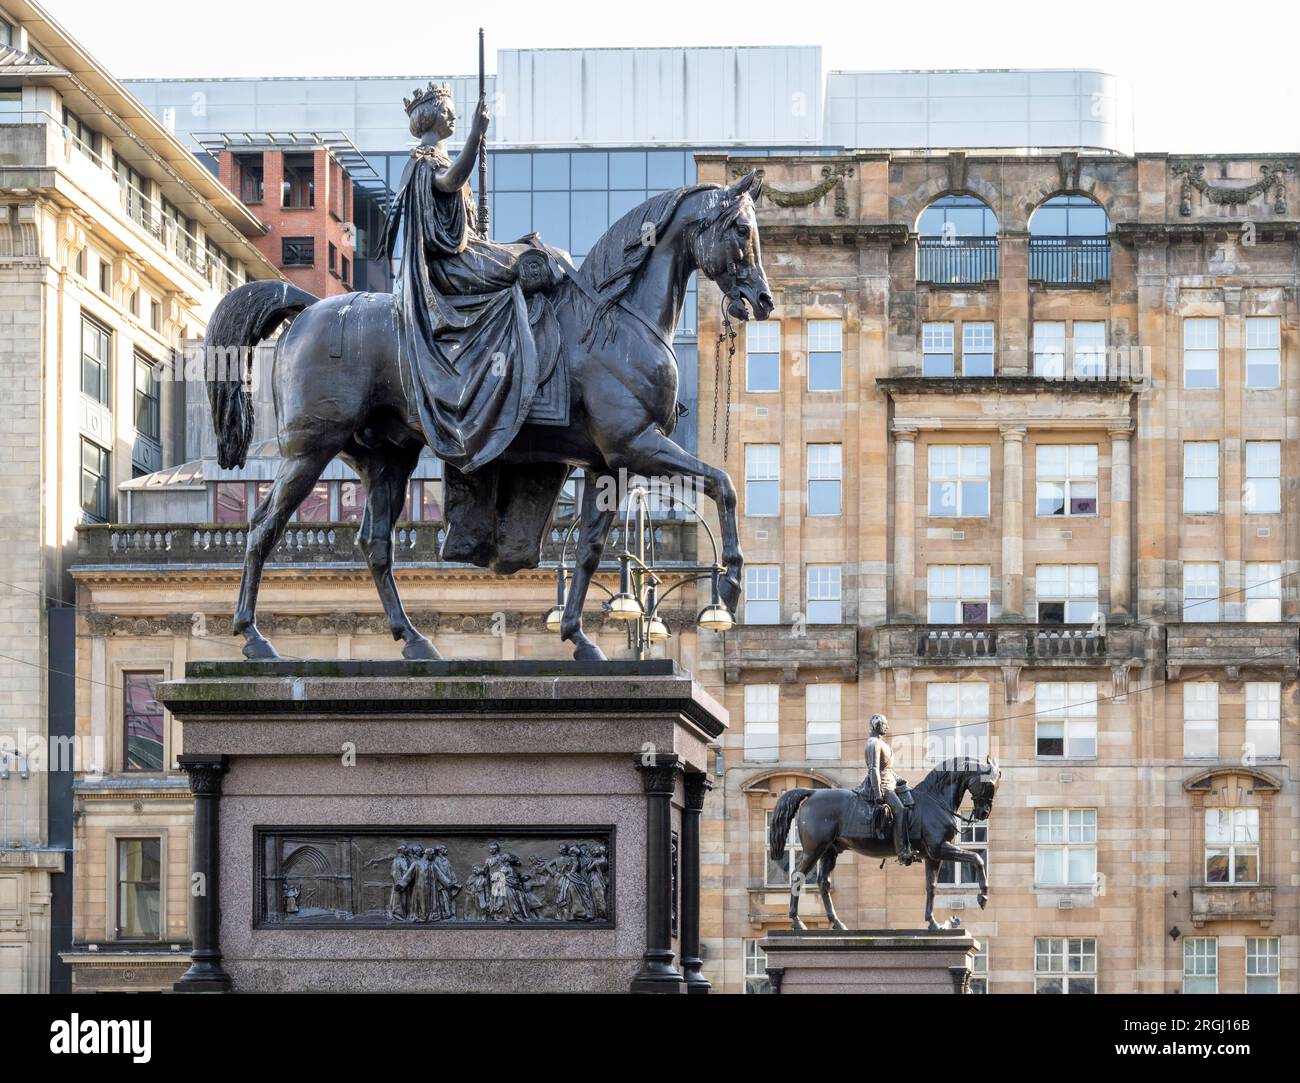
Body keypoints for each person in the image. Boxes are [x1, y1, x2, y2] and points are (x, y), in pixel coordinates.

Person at [383, 82, 563, 473]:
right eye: (447, 109)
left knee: (541, 253)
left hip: (466, 255)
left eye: (452, 110)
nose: (454, 115)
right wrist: (477, 135)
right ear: (429, 116)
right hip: (449, 270)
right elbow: (449, 184)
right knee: (537, 262)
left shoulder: (440, 157)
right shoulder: (423, 160)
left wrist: (479, 231)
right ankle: (522, 369)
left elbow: (458, 221)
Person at [855, 714, 915, 865]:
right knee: (900, 811)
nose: (887, 727)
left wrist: (899, 779)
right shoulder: (873, 743)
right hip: (881, 786)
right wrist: (878, 793)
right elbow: (873, 769)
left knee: (912, 801)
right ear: (876, 725)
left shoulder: (882, 743)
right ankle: (902, 851)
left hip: (890, 782)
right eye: (884, 724)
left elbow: (888, 768)